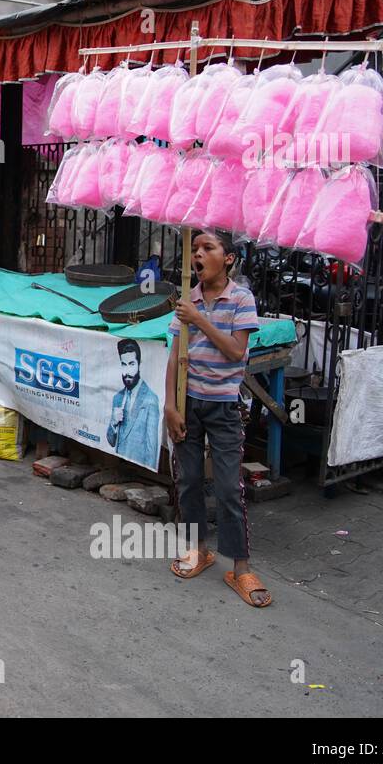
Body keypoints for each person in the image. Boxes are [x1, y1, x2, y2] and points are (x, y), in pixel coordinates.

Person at [165, 230, 269, 608]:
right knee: (189, 481)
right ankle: (199, 550)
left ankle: (240, 567)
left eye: (208, 248)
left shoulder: (241, 299)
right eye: (195, 249)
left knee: (227, 488)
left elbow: (235, 353)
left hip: (224, 408)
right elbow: (176, 356)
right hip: (187, 402)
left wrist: (199, 319)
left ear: (228, 258)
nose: (198, 254)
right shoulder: (187, 301)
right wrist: (169, 406)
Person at [107, 339, 161, 469]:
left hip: (141, 473)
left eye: (131, 364)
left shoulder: (151, 399)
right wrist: (113, 424)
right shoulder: (118, 398)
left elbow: (151, 450)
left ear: (139, 364)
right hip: (121, 468)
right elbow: (111, 441)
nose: (126, 372)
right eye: (123, 365)